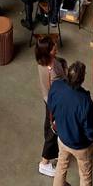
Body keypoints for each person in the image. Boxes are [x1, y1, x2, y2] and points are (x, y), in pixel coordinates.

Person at [47, 60, 93, 186]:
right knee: (85, 178)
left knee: (61, 169)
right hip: (81, 146)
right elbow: (90, 130)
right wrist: (91, 138)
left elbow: (51, 107)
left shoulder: (57, 87)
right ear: (82, 79)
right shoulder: (85, 101)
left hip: (62, 139)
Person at [35, 34, 66, 177]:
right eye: (54, 46)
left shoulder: (43, 62)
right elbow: (59, 88)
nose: (56, 47)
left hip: (47, 100)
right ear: (48, 52)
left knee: (49, 126)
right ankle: (45, 162)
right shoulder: (52, 71)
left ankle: (54, 153)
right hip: (55, 104)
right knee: (53, 131)